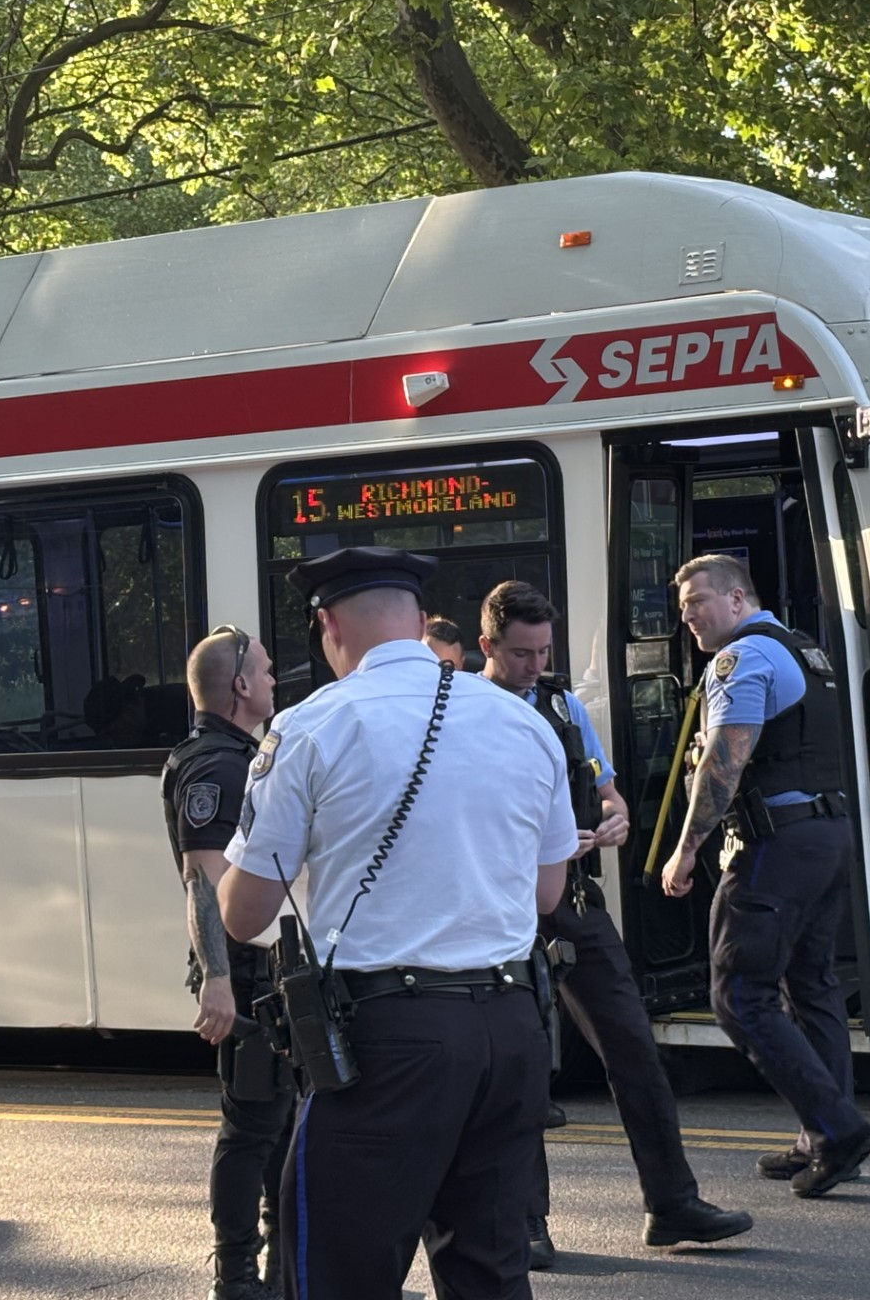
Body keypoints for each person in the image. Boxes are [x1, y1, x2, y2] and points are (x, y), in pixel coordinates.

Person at [220, 546, 579, 1300]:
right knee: (489, 1270)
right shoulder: (525, 724)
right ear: (420, 620)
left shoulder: (308, 727)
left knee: (339, 1272)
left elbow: (246, 912)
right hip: (513, 1030)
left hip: (389, 1038)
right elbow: (548, 893)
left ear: (328, 625)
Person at [477, 581, 752, 1268]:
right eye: (519, 654)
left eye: (543, 651)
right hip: (497, 908)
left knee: (635, 1050)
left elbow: (604, 787)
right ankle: (525, 1222)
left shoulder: (564, 705)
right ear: (486, 647)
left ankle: (672, 1203)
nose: (534, 665)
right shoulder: (463, 714)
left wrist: (616, 815)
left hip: (571, 901)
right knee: (520, 1074)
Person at [659, 554, 870, 1198]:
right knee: (809, 987)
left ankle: (839, 1127)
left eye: (699, 601)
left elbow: (724, 764)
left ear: (737, 598)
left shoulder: (740, 660)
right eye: (682, 608)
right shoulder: (803, 651)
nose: (690, 616)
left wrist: (684, 848)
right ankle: (826, 1137)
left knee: (737, 994)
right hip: (827, 837)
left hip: (775, 845)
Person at [163, 628, 293, 1300]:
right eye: (267, 673)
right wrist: (217, 978)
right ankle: (238, 1275)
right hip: (246, 975)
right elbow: (203, 880)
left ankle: (284, 1272)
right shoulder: (216, 765)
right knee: (252, 1131)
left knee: (281, 1126)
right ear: (240, 686)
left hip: (267, 971)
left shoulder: (240, 753)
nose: (274, 681)